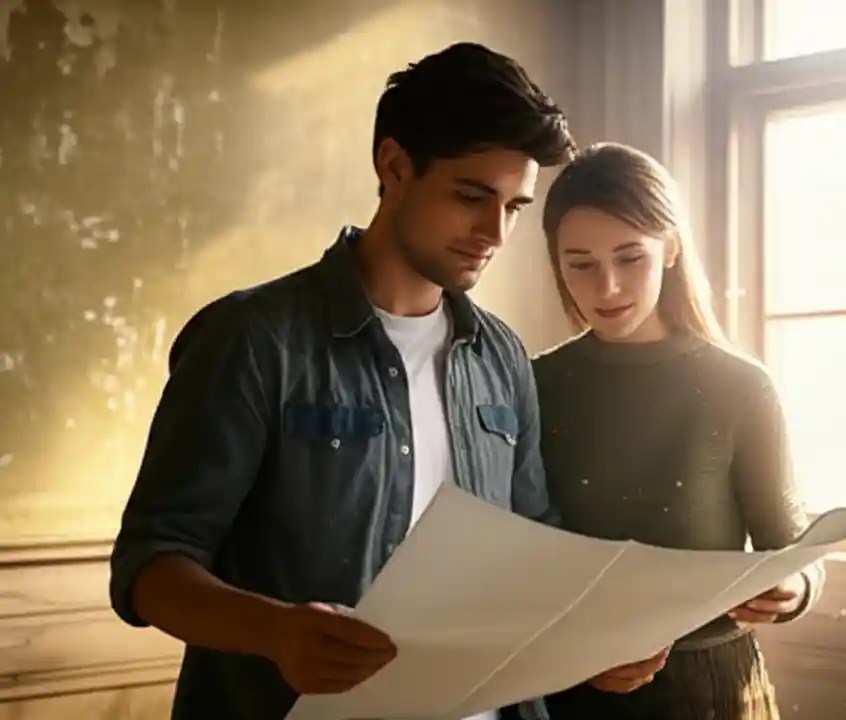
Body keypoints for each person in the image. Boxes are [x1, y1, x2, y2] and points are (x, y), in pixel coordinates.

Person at [108, 43, 576, 720]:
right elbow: (151, 566)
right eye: (472, 197)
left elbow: (533, 544)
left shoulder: (501, 356)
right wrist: (276, 632)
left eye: (514, 207)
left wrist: (595, 642)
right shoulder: (253, 339)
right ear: (394, 165)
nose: (494, 233)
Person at [533, 142, 825, 720]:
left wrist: (794, 587)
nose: (607, 288)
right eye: (581, 264)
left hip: (712, 692)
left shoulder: (740, 386)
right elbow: (518, 562)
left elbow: (793, 548)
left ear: (669, 248)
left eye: (629, 257)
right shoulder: (533, 385)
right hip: (570, 687)